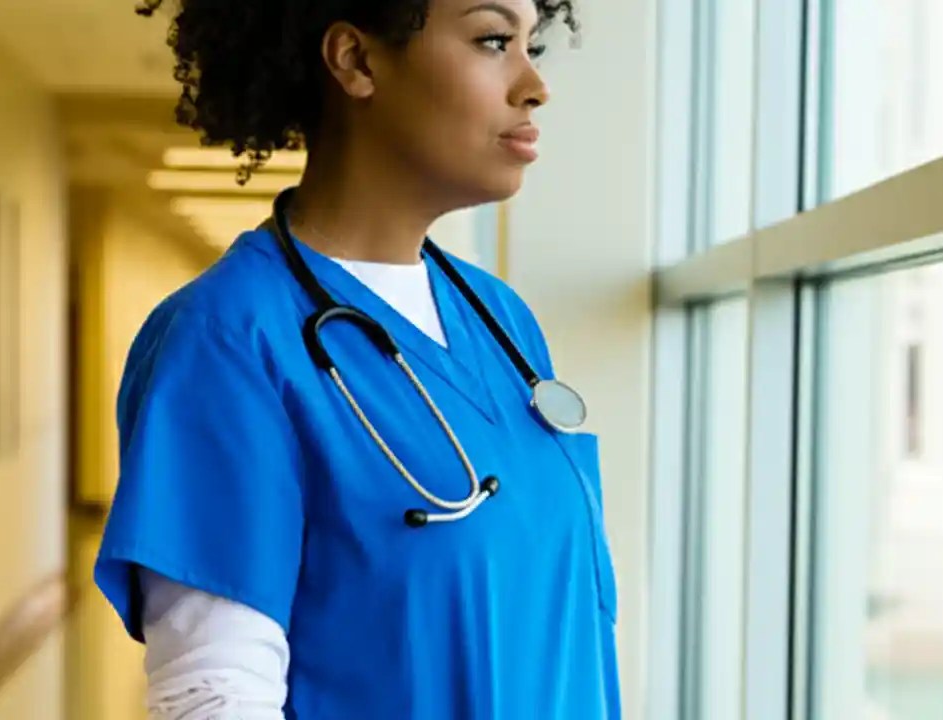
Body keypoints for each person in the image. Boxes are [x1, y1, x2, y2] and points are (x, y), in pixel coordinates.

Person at [93, 0, 620, 718]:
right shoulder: (227, 339)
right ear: (357, 61)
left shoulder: (502, 321)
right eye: (493, 40)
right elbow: (215, 698)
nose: (534, 85)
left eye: (533, 46)